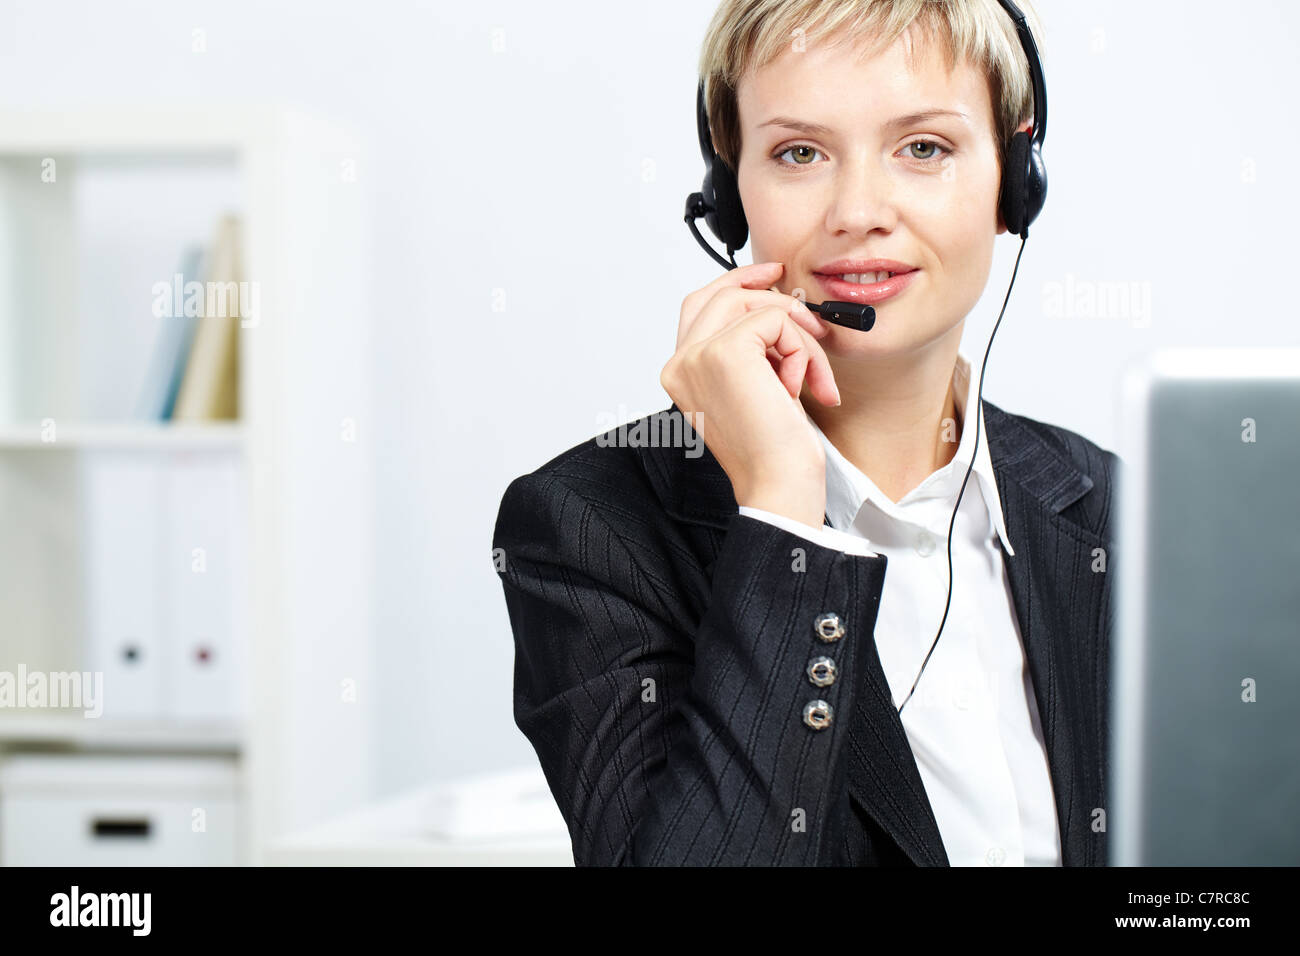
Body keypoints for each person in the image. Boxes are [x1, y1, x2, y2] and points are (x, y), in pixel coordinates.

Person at [493, 0, 1118, 866]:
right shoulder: (591, 528)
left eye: (924, 148)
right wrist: (784, 516)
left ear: (1017, 178)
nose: (859, 210)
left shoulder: (1121, 513)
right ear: (728, 190)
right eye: (799, 152)